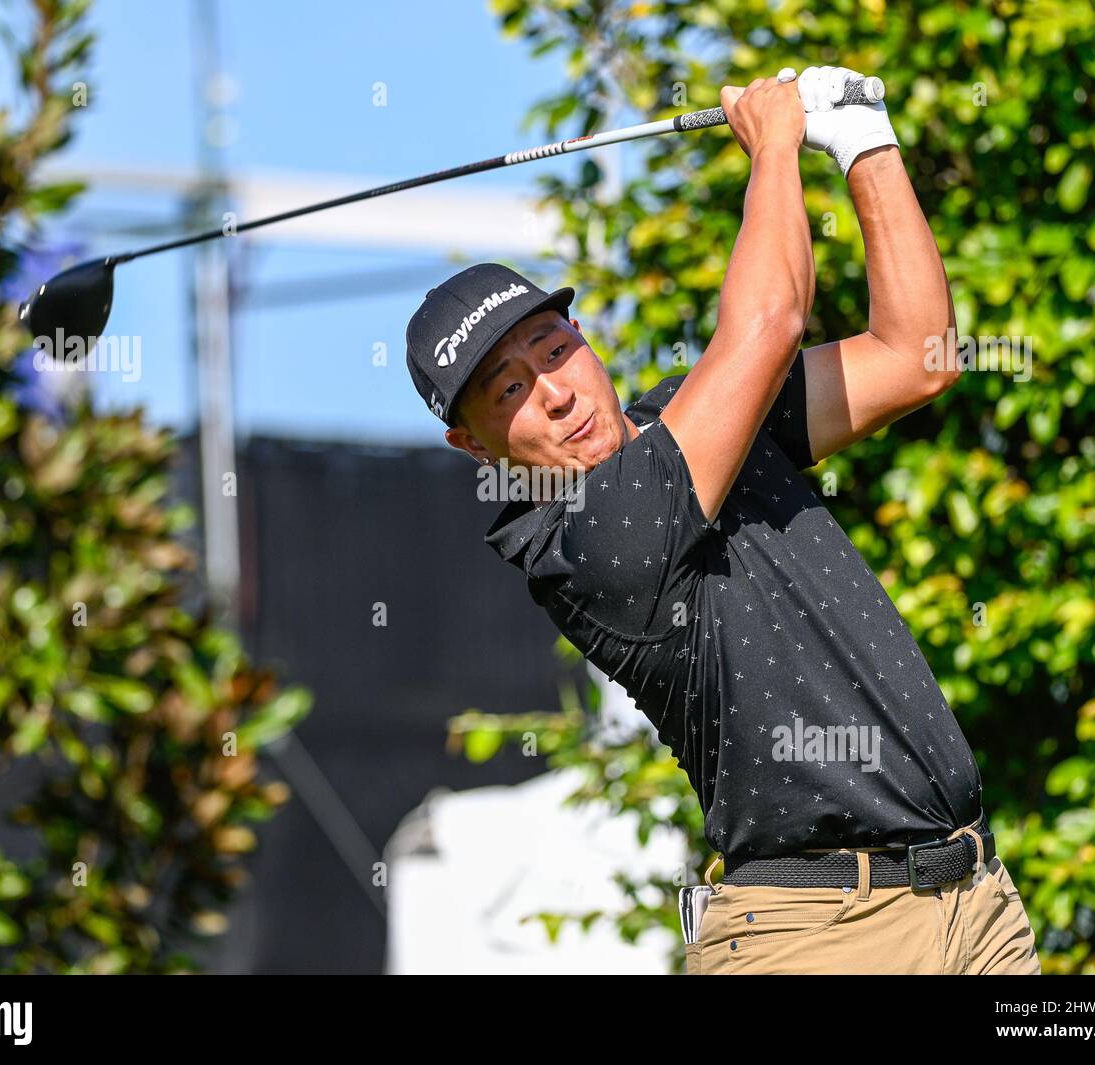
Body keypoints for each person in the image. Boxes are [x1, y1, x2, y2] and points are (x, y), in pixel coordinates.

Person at [404, 66, 1040, 975]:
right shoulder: (577, 543)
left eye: (554, 350)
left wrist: (863, 140)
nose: (554, 392)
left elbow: (916, 356)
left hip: (975, 904)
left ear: (585, 341)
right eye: (510, 389)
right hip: (813, 938)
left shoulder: (692, 419)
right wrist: (774, 143)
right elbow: (769, 321)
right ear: (475, 445)